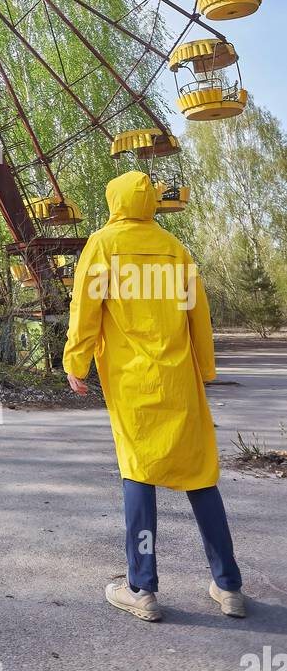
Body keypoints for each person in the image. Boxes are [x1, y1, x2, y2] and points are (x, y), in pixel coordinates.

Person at [62, 169, 244, 622]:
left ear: (114, 201)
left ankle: (141, 589)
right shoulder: (176, 251)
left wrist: (75, 362)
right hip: (179, 380)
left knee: (138, 473)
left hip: (131, 383)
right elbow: (198, 315)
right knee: (200, 474)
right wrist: (205, 367)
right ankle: (228, 586)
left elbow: (85, 310)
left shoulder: (102, 246)